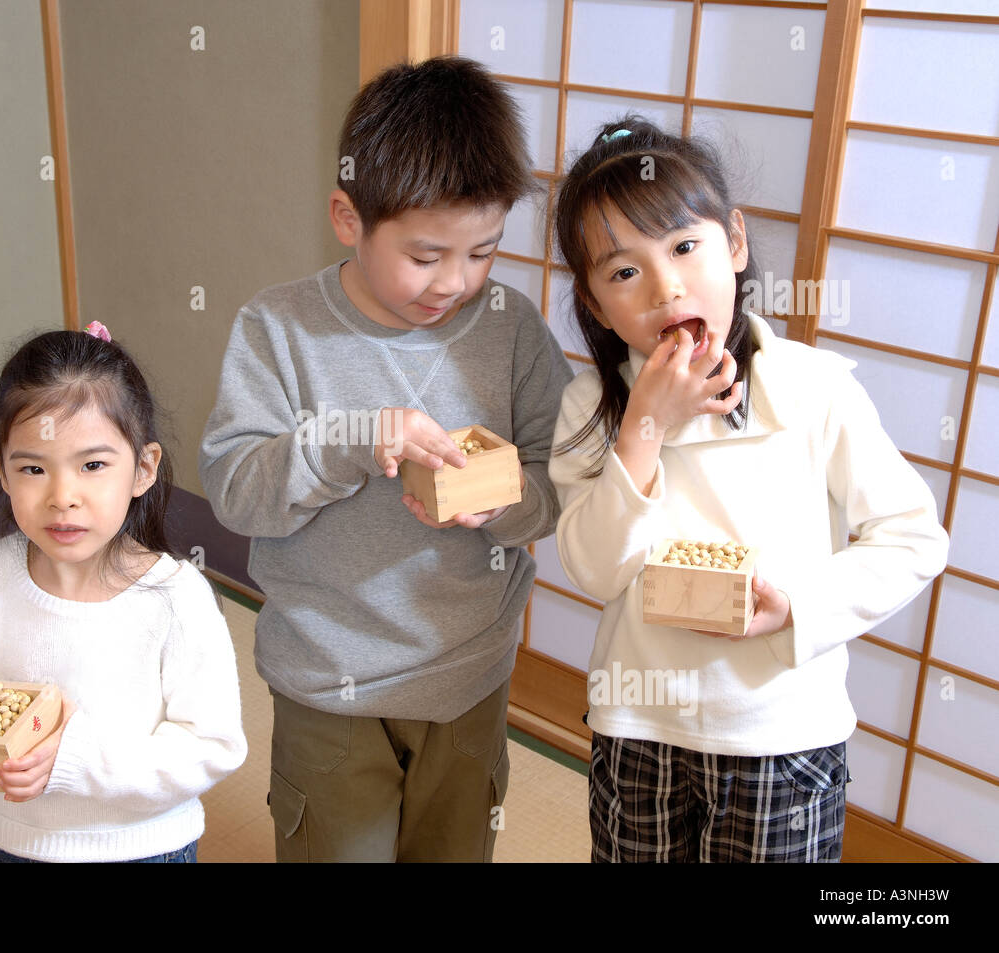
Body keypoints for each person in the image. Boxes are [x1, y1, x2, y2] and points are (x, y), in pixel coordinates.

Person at [199, 56, 572, 862]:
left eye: (483, 252)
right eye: (427, 254)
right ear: (347, 216)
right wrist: (355, 440)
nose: (456, 282)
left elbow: (562, 476)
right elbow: (235, 489)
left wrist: (502, 499)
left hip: (470, 677)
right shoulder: (279, 328)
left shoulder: (510, 328)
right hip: (328, 681)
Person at [548, 116, 949, 862]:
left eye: (684, 246)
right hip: (640, 727)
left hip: (781, 732)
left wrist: (798, 608)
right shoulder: (590, 408)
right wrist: (644, 427)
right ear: (597, 304)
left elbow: (914, 537)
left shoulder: (814, 388)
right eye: (624, 271)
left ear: (734, 242)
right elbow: (595, 570)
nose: (666, 287)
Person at [0, 321, 246, 863]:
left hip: (143, 848)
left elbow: (213, 746)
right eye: (33, 468)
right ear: (3, 475)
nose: (62, 497)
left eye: (93, 465)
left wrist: (77, 761)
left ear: (143, 468)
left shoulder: (176, 599)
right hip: (14, 842)